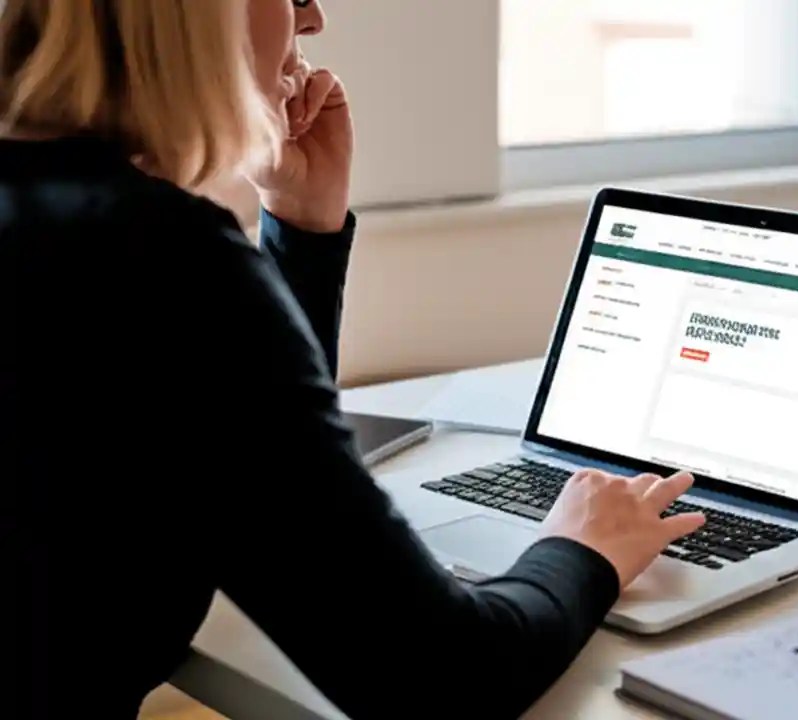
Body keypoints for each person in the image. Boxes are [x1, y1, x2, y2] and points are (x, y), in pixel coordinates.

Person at [0, 1, 706, 718]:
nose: (312, 19)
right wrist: (583, 548)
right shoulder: (156, 262)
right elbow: (441, 678)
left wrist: (303, 235)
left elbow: (226, 466)